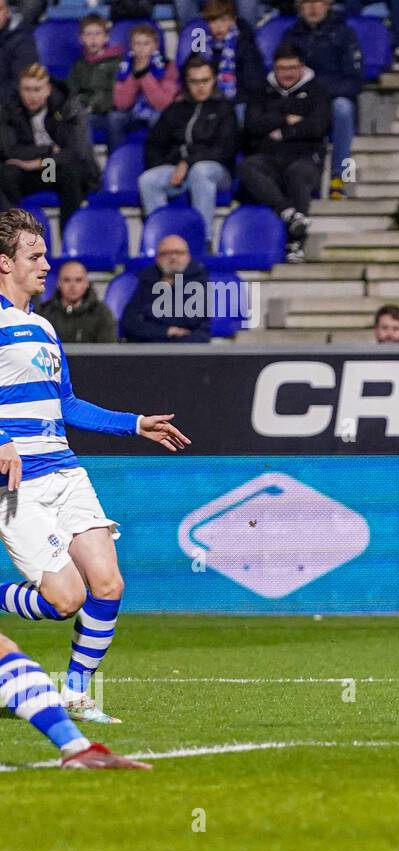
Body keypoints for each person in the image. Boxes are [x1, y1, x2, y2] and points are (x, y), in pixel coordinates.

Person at [0, 208, 190, 734]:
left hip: (65, 471)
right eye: (34, 256)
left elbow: (69, 405)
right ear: (3, 262)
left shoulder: (41, 326)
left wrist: (135, 424)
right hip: (16, 488)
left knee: (107, 583)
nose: (46, 265)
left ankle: (77, 694)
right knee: (66, 600)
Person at [239, 43, 331, 265]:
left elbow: (318, 127)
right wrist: (286, 118)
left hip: (305, 157)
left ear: (301, 67)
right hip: (269, 157)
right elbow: (252, 125)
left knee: (297, 173)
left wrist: (281, 130)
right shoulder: (261, 90)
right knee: (247, 167)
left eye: (292, 68)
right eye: (282, 68)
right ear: (274, 68)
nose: (287, 73)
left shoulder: (318, 91)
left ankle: (295, 243)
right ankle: (289, 213)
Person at [139, 56, 238, 249]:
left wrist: (188, 162)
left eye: (205, 81)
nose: (200, 87)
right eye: (194, 82)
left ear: (214, 80)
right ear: (186, 83)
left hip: (217, 171)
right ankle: (163, 240)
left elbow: (225, 149)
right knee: (148, 180)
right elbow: (154, 144)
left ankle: (203, 240)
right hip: (181, 169)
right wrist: (171, 165)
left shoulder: (225, 109)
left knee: (200, 171)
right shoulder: (175, 109)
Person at [0, 65, 101, 227]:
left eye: (37, 89)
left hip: (52, 170)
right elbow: (10, 150)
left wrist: (41, 162)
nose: (31, 96)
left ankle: (67, 236)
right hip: (29, 171)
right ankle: (13, 234)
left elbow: (75, 152)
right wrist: (46, 150)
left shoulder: (68, 107)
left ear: (47, 89)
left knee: (70, 172)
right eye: (26, 89)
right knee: (6, 173)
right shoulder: (10, 109)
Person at [283, 0, 362, 201]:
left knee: (343, 108)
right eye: (307, 2)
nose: (313, 7)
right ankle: (307, 182)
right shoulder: (291, 36)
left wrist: (321, 93)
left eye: (318, 1)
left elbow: (354, 81)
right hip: (303, 101)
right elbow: (284, 76)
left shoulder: (344, 33)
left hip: (333, 100)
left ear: (328, 4)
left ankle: (339, 179)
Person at [120, 234, 213, 343]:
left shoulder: (200, 281)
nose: (173, 258)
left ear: (188, 257)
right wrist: (166, 331)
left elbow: (190, 320)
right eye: (166, 254)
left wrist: (148, 314)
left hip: (188, 347)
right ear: (158, 258)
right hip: (149, 349)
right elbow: (129, 323)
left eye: (179, 253)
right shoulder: (146, 280)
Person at [193, 0, 265, 126]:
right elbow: (190, 72)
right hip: (207, 102)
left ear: (233, 20)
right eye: (214, 21)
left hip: (238, 102)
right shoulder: (201, 45)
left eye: (224, 20)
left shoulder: (245, 44)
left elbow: (254, 85)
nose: (219, 26)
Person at [109, 25, 179, 154]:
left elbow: (163, 103)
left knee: (159, 118)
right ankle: (116, 158)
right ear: (131, 46)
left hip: (155, 113)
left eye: (146, 43)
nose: (141, 49)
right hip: (131, 114)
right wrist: (135, 76)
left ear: (155, 46)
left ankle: (158, 159)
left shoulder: (168, 66)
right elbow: (121, 104)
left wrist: (144, 74)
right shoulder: (124, 67)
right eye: (137, 44)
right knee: (115, 118)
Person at [67, 14, 123, 147]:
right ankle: (87, 163)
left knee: (115, 120)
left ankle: (113, 160)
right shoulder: (79, 65)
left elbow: (114, 93)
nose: (93, 39)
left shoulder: (115, 63)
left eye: (98, 34)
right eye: (88, 34)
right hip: (87, 112)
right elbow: (71, 90)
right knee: (78, 121)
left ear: (106, 37)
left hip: (108, 111)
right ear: (81, 38)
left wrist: (93, 105)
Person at [38, 261, 117, 344]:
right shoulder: (45, 312)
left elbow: (107, 351)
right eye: (67, 280)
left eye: (78, 280)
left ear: (87, 283)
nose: (72, 286)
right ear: (59, 283)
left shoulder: (102, 313)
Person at [0, 0, 38, 104]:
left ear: (7, 11)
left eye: (0, 9)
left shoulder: (22, 41)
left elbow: (22, 85)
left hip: (9, 111)